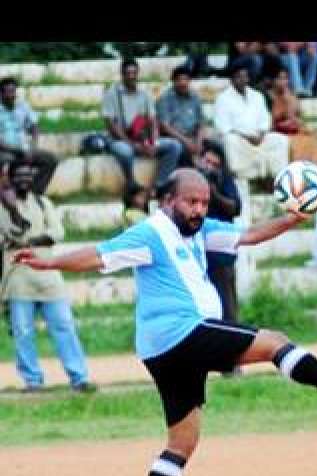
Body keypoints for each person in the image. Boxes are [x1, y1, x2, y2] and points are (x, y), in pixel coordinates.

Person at [13, 168, 317, 476]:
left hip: (163, 348)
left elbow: (249, 235)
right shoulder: (151, 233)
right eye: (191, 202)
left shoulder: (201, 230)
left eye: (203, 202)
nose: (199, 209)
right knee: (275, 343)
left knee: (183, 441)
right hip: (182, 333)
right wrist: (50, 263)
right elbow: (98, 256)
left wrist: (291, 219)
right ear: (168, 201)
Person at [0, 161, 94, 394]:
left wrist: (29, 241)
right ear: (10, 179)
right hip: (18, 279)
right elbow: (10, 236)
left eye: (28, 175)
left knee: (64, 327)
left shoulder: (43, 203)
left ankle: (79, 378)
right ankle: (33, 381)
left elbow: (57, 233)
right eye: (18, 175)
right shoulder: (2, 207)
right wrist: (15, 214)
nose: (24, 179)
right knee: (23, 332)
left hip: (49, 277)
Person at [102, 58, 184, 196]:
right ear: (122, 74)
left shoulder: (144, 94)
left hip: (142, 138)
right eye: (128, 73)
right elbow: (111, 125)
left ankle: (159, 185)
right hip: (120, 140)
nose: (131, 76)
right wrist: (133, 145)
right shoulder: (112, 93)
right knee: (125, 151)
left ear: (138, 73)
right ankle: (131, 183)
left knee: (175, 146)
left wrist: (153, 142)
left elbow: (152, 120)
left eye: (134, 73)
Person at [213, 59, 289, 184]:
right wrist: (247, 137)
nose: (242, 80)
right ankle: (242, 176)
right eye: (238, 77)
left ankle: (275, 178)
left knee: (280, 140)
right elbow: (223, 127)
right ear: (232, 79)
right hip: (239, 139)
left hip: (259, 137)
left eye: (245, 77)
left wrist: (261, 134)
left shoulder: (257, 96)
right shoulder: (223, 98)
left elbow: (265, 120)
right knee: (230, 140)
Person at [197, 141, 243, 327]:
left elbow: (235, 208)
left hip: (221, 251)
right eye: (207, 162)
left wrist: (214, 193)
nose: (210, 168)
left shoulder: (225, 180)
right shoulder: (191, 180)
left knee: (227, 305)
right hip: (197, 249)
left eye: (215, 164)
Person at [0, 77, 58, 197]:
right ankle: (7, 191)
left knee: (50, 159)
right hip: (6, 151)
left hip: (25, 149)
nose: (12, 95)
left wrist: (33, 146)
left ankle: (35, 192)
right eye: (8, 92)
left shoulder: (23, 106)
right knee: (4, 160)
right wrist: (19, 150)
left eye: (13, 91)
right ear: (2, 93)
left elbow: (35, 127)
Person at [268, 69, 317, 165]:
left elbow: (297, 116)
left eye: (285, 79)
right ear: (273, 81)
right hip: (278, 133)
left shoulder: (290, 95)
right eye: (280, 79)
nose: (283, 82)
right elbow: (273, 121)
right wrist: (286, 102)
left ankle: (313, 170)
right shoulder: (269, 97)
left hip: (294, 130)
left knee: (313, 141)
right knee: (296, 145)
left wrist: (289, 100)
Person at [155, 66, 207, 168]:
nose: (183, 83)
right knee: (185, 153)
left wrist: (199, 142)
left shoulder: (195, 97)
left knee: (217, 147)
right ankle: (195, 173)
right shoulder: (165, 99)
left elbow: (201, 124)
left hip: (193, 138)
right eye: (179, 80)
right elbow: (165, 127)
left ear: (190, 81)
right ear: (173, 81)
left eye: (186, 79)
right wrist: (187, 142)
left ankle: (225, 177)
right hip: (175, 139)